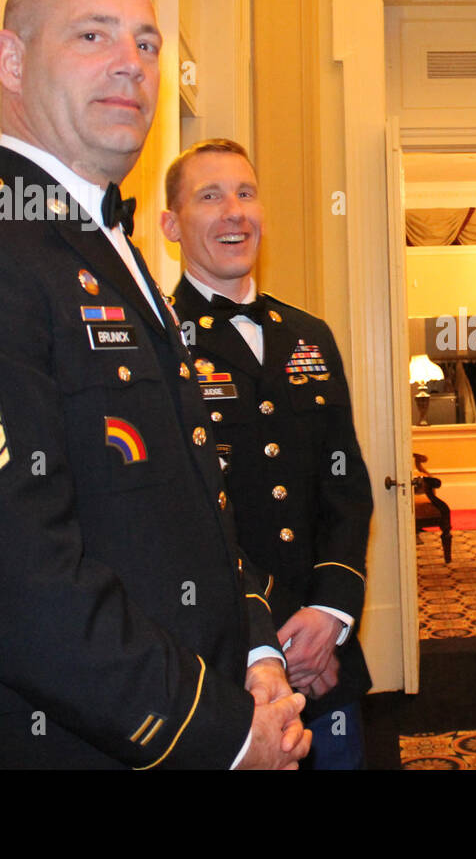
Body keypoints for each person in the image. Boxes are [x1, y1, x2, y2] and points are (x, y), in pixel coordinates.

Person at [0, 0, 307, 769]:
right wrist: (223, 733)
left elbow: (200, 509)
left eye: (145, 44)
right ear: (11, 60)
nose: (130, 65)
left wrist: (257, 655)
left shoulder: (120, 257)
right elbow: (14, 580)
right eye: (92, 35)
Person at [161, 139, 374, 769]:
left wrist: (331, 615)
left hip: (327, 659)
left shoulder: (309, 335)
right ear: (172, 225)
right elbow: (180, 517)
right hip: (224, 666)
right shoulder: (158, 342)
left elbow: (345, 487)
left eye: (246, 193)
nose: (234, 212)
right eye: (210, 196)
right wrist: (269, 645)